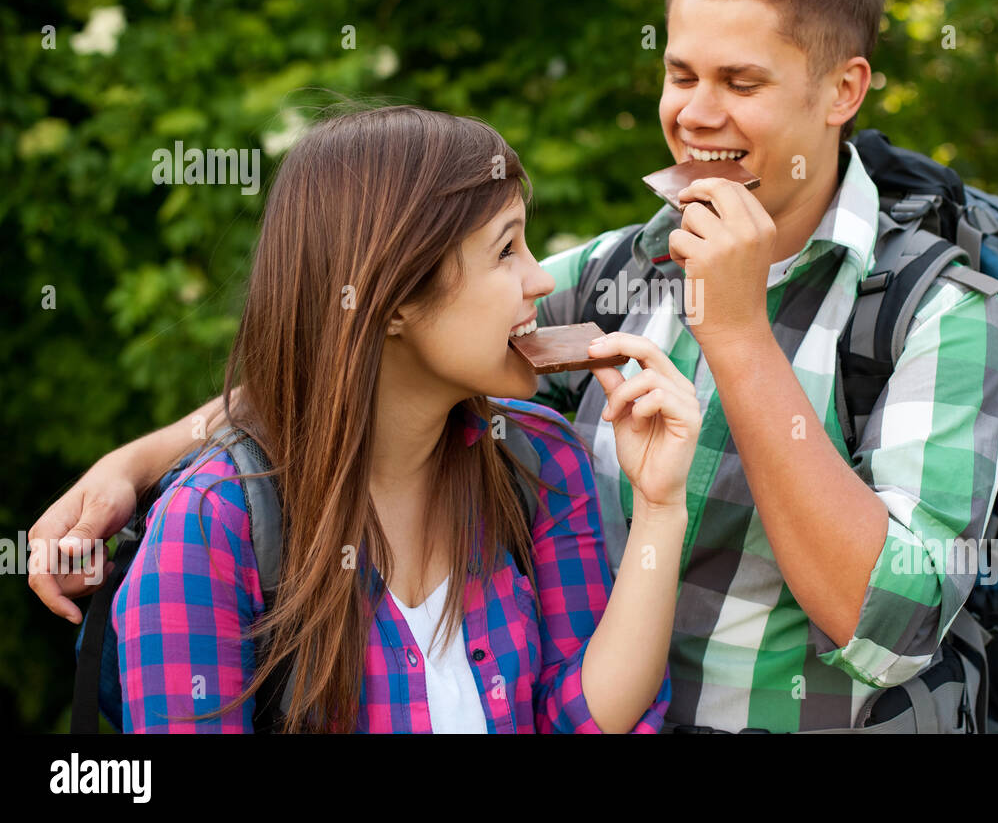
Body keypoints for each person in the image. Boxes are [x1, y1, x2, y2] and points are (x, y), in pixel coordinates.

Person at [33, 0, 998, 733]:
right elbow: (364, 348)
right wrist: (140, 461)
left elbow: (888, 630)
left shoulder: (938, 312)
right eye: (681, 74)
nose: (694, 115)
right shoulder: (617, 268)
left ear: (841, 89)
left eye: (740, 82)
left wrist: (740, 334)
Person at [57, 105, 701, 732]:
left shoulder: (539, 459)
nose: (539, 280)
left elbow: (582, 719)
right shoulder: (212, 524)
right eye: (507, 250)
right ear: (392, 300)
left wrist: (660, 508)